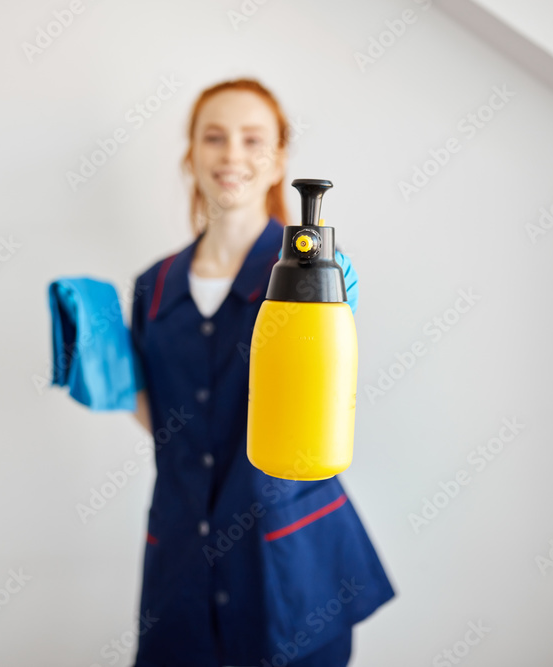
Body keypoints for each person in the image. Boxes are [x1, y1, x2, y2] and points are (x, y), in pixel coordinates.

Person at [127, 78, 394, 667]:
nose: (232, 156)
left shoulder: (309, 278)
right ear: (190, 154)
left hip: (290, 565)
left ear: (279, 160)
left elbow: (324, 407)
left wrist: (329, 318)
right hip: (182, 554)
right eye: (214, 138)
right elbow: (174, 427)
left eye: (254, 140)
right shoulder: (154, 286)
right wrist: (121, 392)